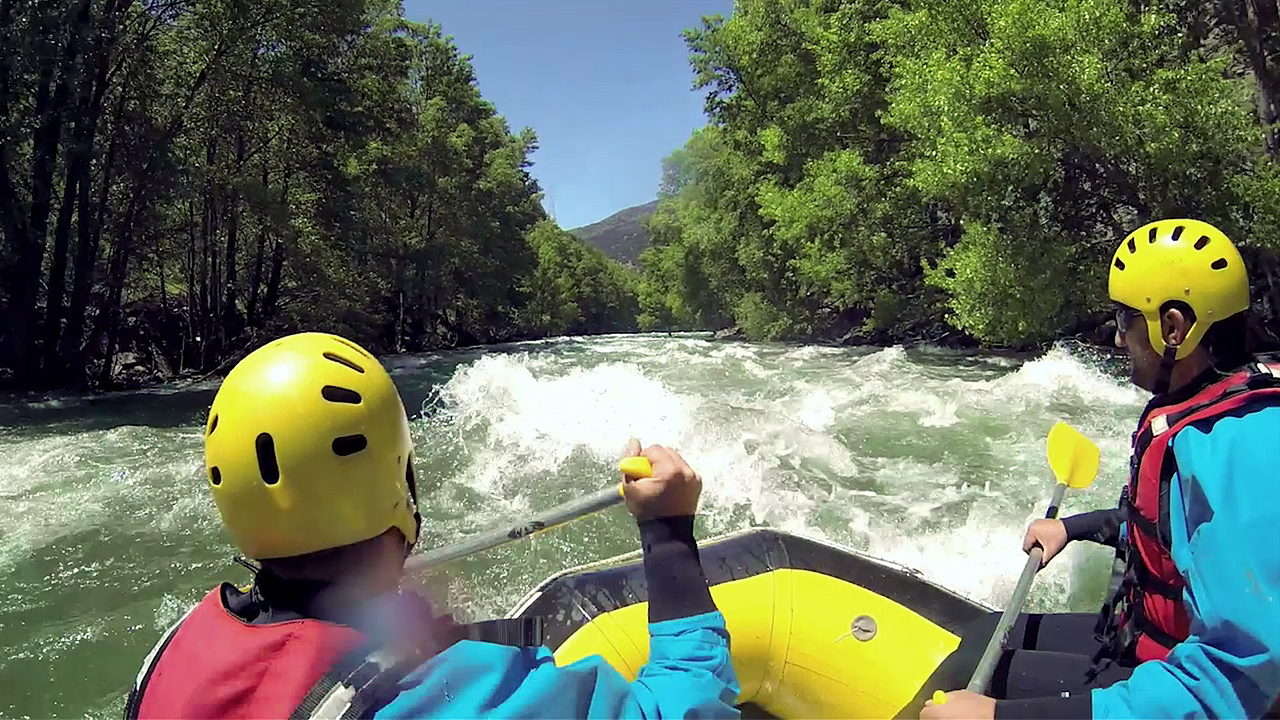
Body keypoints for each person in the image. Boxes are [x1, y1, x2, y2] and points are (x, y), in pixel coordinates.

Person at [123, 331, 741, 719]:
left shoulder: (172, 651)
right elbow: (679, 710)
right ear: (400, 486)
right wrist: (668, 535)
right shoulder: (437, 694)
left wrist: (392, 646)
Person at [915, 218, 1280, 719]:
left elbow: (1237, 679)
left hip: (1180, 678)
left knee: (980, 678)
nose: (1115, 337)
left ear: (1174, 328)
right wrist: (1071, 527)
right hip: (1146, 636)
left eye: (1125, 318)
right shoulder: (1209, 406)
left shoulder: (1236, 446)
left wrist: (1000, 717)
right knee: (985, 636)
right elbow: (1170, 528)